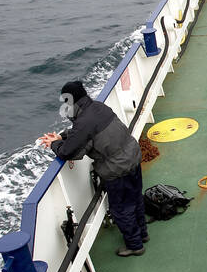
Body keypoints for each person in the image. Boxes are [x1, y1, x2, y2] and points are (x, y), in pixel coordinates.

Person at [38, 80, 147, 257]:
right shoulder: (98, 107)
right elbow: (83, 132)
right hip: (133, 156)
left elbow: (68, 151)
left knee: (121, 210)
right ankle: (143, 234)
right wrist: (62, 136)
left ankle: (135, 245)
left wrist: (54, 143)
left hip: (116, 169)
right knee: (135, 198)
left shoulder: (83, 122)